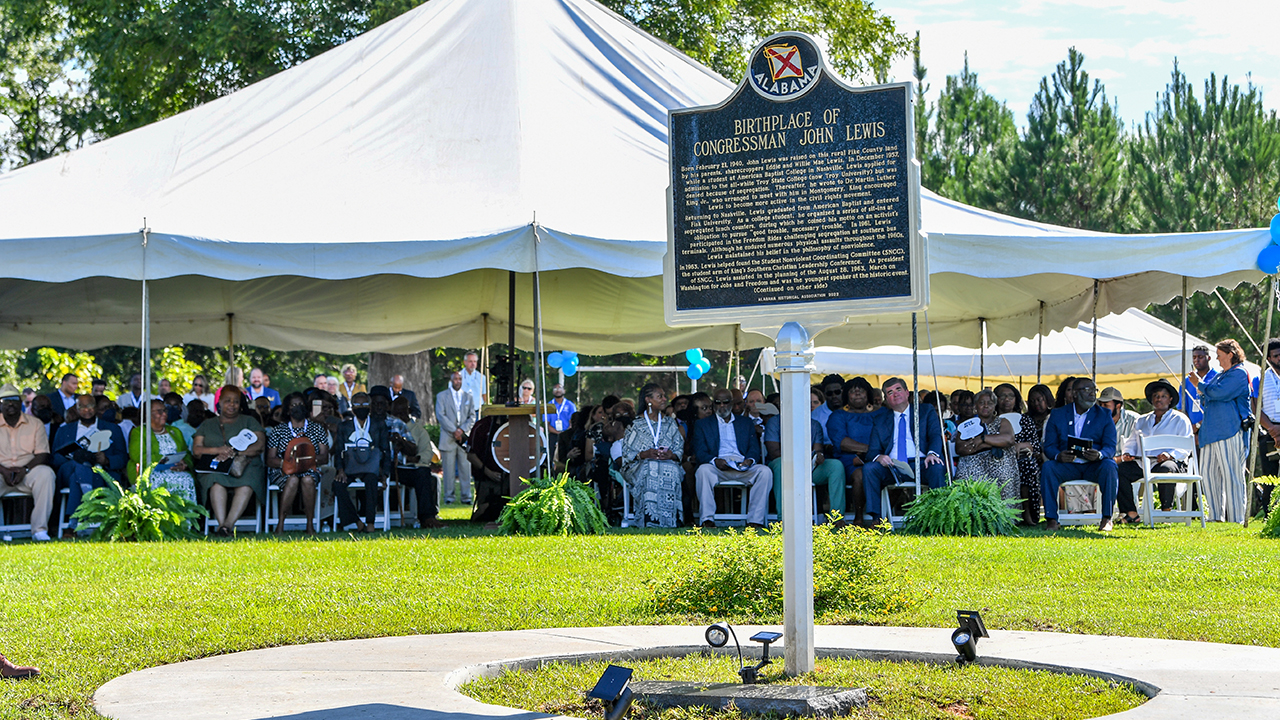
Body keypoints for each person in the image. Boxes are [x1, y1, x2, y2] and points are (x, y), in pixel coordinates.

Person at [861, 377, 947, 524]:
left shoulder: (925, 411)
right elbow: (872, 451)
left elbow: (935, 435)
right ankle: (876, 519)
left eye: (898, 389)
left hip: (921, 462)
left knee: (937, 467)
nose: (895, 394)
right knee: (870, 468)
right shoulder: (880, 419)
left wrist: (932, 453)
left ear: (907, 393)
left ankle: (939, 518)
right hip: (893, 466)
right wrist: (879, 457)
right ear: (886, 399)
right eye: (889, 392)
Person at [1040, 378, 1119, 531]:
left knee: (1110, 465)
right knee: (1049, 467)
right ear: (1075, 394)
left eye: (1094, 390)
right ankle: (1051, 519)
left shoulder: (1104, 415)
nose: (1092, 394)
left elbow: (1110, 446)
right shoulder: (1058, 414)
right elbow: (1049, 446)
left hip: (1093, 465)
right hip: (1067, 465)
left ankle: (1107, 518)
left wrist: (1100, 455)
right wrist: (1058, 456)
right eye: (1087, 390)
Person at [691, 388, 772, 529]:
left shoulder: (745, 423)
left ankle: (755, 522)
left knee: (765, 472)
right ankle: (707, 520)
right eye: (718, 402)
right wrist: (714, 460)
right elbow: (700, 451)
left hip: (742, 465)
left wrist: (749, 460)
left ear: (732, 403)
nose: (722, 406)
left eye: (726, 402)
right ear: (713, 403)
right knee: (703, 470)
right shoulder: (703, 424)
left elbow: (754, 448)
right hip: (717, 465)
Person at [1116, 379, 1194, 523]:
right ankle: (1131, 513)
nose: (1159, 399)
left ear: (1170, 399)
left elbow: (1186, 446)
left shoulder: (1180, 419)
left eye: (1163, 396)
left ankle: (1166, 513)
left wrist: (1169, 455)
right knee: (1118, 470)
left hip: (1171, 462)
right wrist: (1128, 453)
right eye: (1156, 396)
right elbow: (1132, 441)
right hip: (1143, 462)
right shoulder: (1142, 420)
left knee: (1166, 469)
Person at [193, 385, 266, 536]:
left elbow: (260, 445)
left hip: (245, 465)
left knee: (247, 482)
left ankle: (227, 525)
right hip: (216, 466)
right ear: (219, 402)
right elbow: (197, 450)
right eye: (227, 401)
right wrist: (218, 450)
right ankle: (222, 525)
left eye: (236, 401)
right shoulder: (207, 424)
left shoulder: (249, 421)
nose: (232, 404)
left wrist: (236, 452)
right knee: (215, 481)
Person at [1191, 339, 1251, 523]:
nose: (1217, 359)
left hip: (1230, 430)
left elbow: (1220, 393)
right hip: (1210, 432)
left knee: (1232, 475)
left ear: (1230, 354)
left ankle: (1236, 518)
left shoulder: (1239, 373)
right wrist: (1204, 389)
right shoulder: (1220, 375)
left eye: (1219, 355)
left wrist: (1199, 385)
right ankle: (1216, 516)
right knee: (1208, 476)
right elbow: (1210, 394)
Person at [51, 394, 128, 536]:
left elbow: (122, 457)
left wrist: (106, 460)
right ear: (76, 408)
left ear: (96, 408)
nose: (87, 410)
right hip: (68, 471)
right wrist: (73, 457)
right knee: (80, 464)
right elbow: (55, 459)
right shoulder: (64, 430)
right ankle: (89, 503)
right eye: (82, 407)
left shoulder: (112, 429)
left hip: (101, 473)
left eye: (90, 406)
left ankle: (73, 522)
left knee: (79, 475)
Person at [764, 404, 846, 521]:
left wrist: (819, 456)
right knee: (782, 465)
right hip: (783, 466)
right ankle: (784, 519)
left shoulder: (814, 424)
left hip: (809, 467)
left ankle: (837, 518)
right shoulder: (775, 422)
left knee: (836, 466)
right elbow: (774, 452)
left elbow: (818, 450)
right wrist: (799, 459)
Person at [264, 392, 330, 534]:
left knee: (307, 480)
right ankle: (280, 525)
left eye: (300, 404)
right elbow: (270, 459)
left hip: (310, 468)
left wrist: (307, 460)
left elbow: (325, 457)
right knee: (293, 480)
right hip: (283, 470)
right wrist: (287, 464)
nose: (297, 407)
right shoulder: (278, 430)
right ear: (287, 410)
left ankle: (310, 525)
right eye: (293, 405)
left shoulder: (317, 428)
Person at [621, 383, 685, 527]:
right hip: (639, 466)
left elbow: (679, 449)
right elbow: (627, 453)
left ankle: (671, 520)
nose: (664, 399)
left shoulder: (670, 423)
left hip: (667, 463)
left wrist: (671, 455)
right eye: (660, 396)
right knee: (651, 468)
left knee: (672, 469)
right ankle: (650, 519)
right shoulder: (636, 425)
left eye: (664, 396)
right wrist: (643, 454)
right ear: (648, 400)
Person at [0, 384, 55, 541]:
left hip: (28, 472)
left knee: (46, 474)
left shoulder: (35, 423)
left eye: (14, 400)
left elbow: (43, 454)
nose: (10, 404)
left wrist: (25, 469)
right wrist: (3, 471)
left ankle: (39, 530)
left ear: (21, 403)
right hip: (1, 473)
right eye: (5, 400)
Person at [331, 391, 390, 532]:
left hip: (371, 467)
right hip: (350, 467)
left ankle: (370, 523)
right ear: (352, 407)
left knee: (371, 481)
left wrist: (385, 474)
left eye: (364, 404)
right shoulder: (344, 426)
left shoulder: (379, 425)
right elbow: (338, 450)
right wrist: (340, 470)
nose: (361, 407)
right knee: (337, 485)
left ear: (370, 406)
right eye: (357, 404)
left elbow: (386, 450)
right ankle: (356, 521)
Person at [127, 399, 197, 505]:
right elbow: (138, 455)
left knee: (187, 478)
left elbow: (186, 453)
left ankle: (184, 518)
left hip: (176, 471)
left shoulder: (175, 431)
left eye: (165, 410)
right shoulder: (139, 432)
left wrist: (184, 464)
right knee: (158, 481)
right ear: (148, 414)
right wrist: (164, 461)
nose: (164, 414)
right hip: (151, 472)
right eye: (159, 411)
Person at [390, 396, 443, 529]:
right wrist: (406, 459)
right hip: (393, 468)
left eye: (403, 412)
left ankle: (428, 518)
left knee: (425, 474)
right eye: (396, 413)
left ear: (408, 410)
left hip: (414, 468)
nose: (400, 416)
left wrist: (413, 459)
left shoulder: (419, 430)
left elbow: (427, 453)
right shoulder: (389, 425)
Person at [954, 389, 1018, 499]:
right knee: (965, 478)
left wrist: (982, 440)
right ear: (976, 406)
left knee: (1003, 476)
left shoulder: (1002, 422)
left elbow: (1008, 439)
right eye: (982, 403)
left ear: (994, 406)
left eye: (990, 403)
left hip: (1000, 465)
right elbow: (960, 448)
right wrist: (993, 443)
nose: (986, 406)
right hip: (973, 467)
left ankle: (1005, 514)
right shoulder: (967, 425)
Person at [826, 377, 874, 518]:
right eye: (853, 391)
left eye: (861, 390)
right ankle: (859, 516)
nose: (857, 394)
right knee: (860, 474)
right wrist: (870, 450)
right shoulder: (838, 416)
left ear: (868, 394)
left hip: (878, 458)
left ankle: (879, 515)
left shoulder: (881, 413)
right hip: (849, 461)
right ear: (846, 395)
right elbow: (842, 442)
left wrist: (872, 453)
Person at [435, 370, 475, 505]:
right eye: (455, 379)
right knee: (448, 470)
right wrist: (454, 431)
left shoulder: (468, 397)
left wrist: (462, 430)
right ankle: (449, 497)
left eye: (459, 379)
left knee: (465, 469)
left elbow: (472, 417)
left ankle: (466, 496)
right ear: (451, 380)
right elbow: (440, 415)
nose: (457, 381)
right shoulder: (442, 396)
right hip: (448, 437)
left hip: (463, 438)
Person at [1016, 384, 1054, 525]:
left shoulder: (1054, 416)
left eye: (1040, 400)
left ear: (1047, 399)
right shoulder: (1025, 419)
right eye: (1032, 401)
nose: (1036, 404)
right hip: (1031, 457)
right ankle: (1030, 513)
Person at [1258, 339, 1280, 515]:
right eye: (1276, 356)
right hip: (1269, 432)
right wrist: (1272, 429)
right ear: (1268, 358)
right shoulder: (1261, 378)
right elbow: (1255, 406)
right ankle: (1269, 516)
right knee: (1270, 477)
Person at [1180, 345, 1214, 425]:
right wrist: (1191, 427)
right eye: (1194, 357)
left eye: (1200, 357)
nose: (1196, 360)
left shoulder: (1217, 378)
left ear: (1208, 358)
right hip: (1191, 430)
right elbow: (1181, 408)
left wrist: (1199, 425)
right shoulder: (1187, 380)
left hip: (1212, 427)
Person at [1100, 387, 1138, 457]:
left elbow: (1137, 450)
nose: (1102, 408)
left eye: (1105, 405)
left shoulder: (1134, 420)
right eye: (1100, 405)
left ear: (1118, 406)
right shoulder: (1096, 421)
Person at [545, 383, 575, 461]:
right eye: (555, 388)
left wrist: (565, 434)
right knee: (551, 456)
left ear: (564, 390)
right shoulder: (548, 405)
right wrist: (559, 434)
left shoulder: (570, 405)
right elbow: (547, 424)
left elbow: (573, 422)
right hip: (553, 435)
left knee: (566, 457)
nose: (558, 390)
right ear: (552, 392)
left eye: (560, 388)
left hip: (567, 435)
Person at [460, 351, 487, 423]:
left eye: (475, 361)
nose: (473, 364)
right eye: (470, 361)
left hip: (477, 411)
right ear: (465, 362)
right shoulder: (458, 376)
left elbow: (484, 395)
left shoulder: (482, 377)